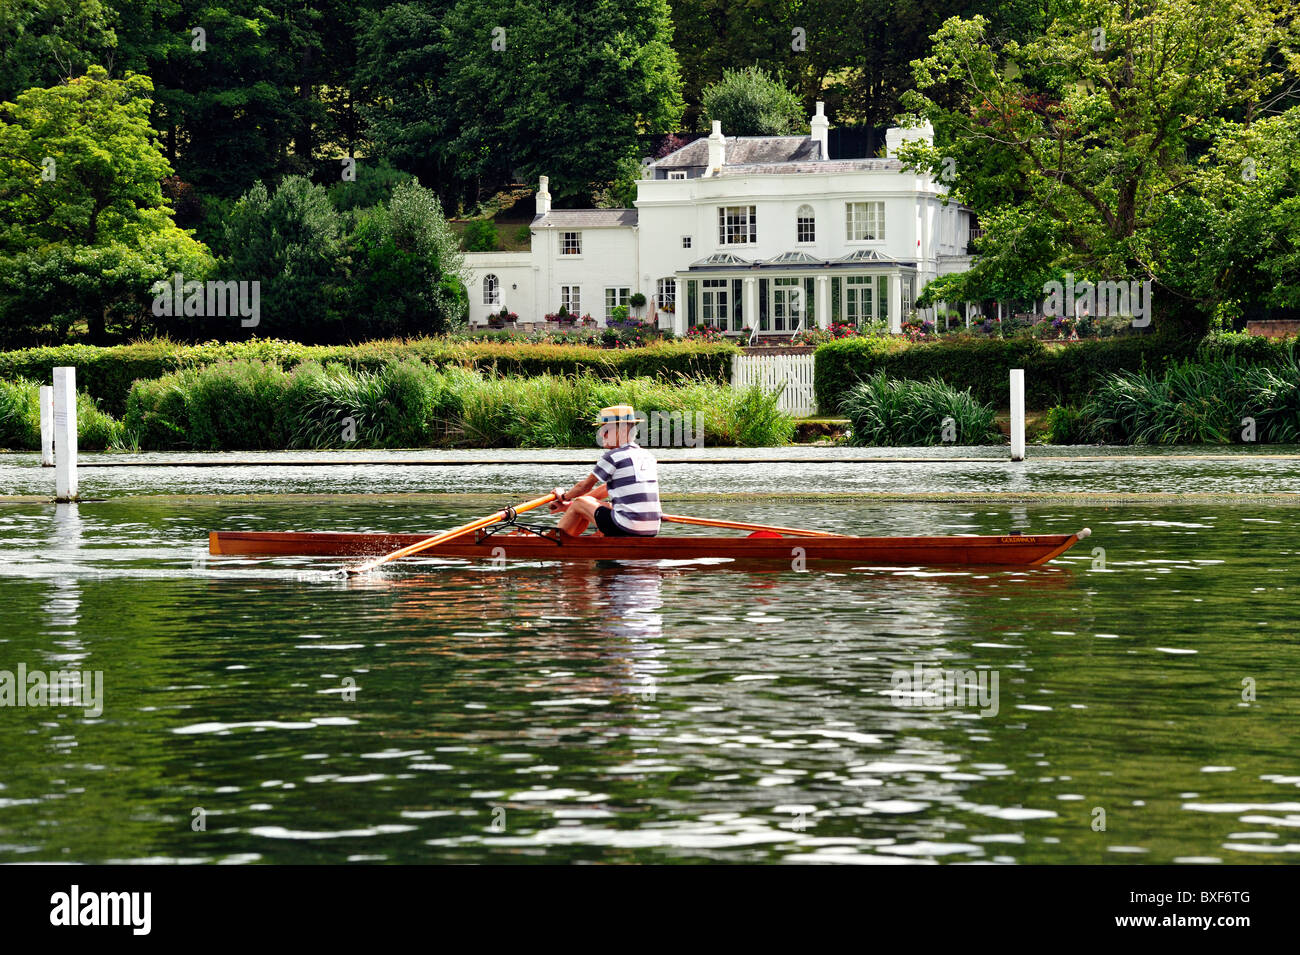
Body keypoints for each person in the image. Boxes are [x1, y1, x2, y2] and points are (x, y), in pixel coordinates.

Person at [550, 405, 661, 537]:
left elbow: (584, 487)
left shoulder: (613, 456)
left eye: (606, 429)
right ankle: (582, 543)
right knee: (588, 504)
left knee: (580, 503)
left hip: (627, 526)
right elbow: (605, 489)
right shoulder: (648, 456)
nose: (601, 434)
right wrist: (570, 505)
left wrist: (563, 497)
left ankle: (552, 541)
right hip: (652, 528)